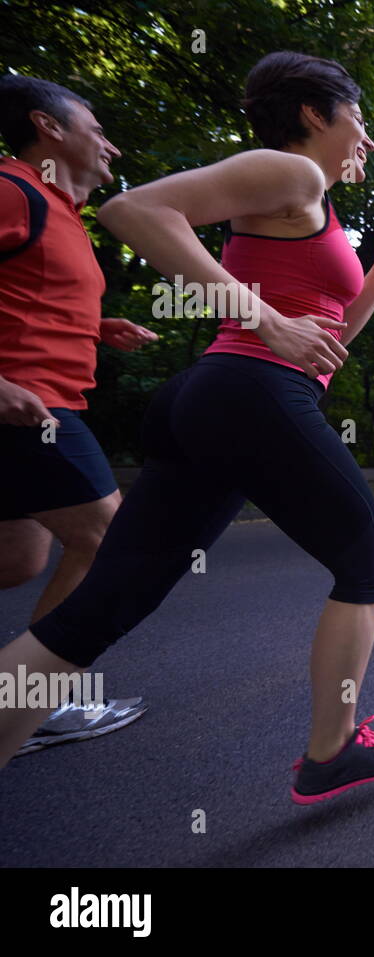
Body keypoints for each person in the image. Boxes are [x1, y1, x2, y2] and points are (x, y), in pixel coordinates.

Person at [0, 52, 374, 805]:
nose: (367, 132)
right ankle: (333, 747)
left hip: (222, 402)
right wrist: (264, 320)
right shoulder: (290, 172)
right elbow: (132, 211)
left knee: (104, 604)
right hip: (248, 391)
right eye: (357, 113)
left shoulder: (309, 194)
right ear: (316, 114)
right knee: (365, 560)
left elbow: (328, 340)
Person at [0, 75, 154, 755]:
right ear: (49, 128)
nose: (112, 144)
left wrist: (94, 325)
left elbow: (25, 297)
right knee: (107, 539)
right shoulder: (12, 189)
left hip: (39, 400)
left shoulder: (60, 210)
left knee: (18, 556)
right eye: (96, 128)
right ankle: (38, 701)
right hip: (30, 408)